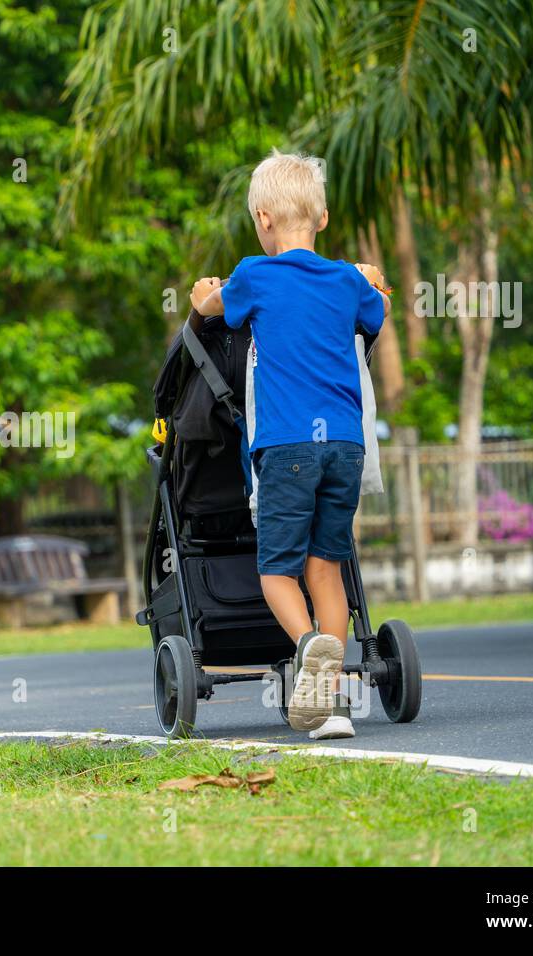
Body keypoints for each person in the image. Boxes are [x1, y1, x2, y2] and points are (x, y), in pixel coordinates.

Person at [189, 149, 390, 739]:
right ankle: (327, 708)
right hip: (346, 448)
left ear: (262, 219)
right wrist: (371, 280)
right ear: (322, 219)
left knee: (276, 569)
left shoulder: (254, 273)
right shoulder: (346, 280)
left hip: (287, 446)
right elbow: (377, 311)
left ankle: (308, 648)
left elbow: (212, 310)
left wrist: (204, 291)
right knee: (325, 566)